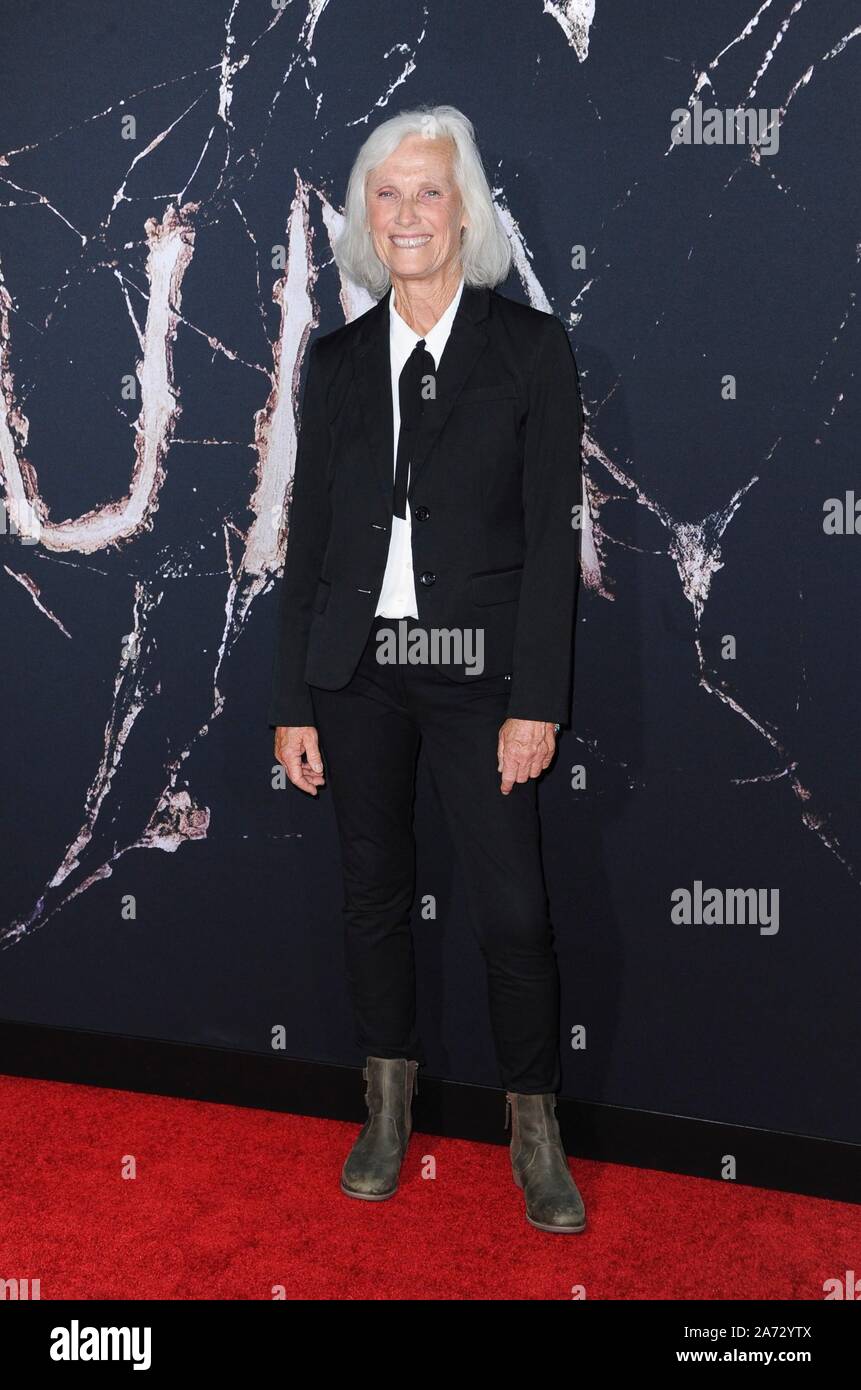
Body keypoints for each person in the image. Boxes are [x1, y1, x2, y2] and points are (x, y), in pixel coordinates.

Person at [268, 104, 586, 1233]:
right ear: (367, 216)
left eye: (429, 193)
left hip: (480, 676)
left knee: (512, 911)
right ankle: (386, 1109)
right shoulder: (339, 359)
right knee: (371, 895)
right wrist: (293, 697)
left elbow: (553, 542)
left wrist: (536, 700)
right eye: (386, 195)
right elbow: (307, 537)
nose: (406, 214)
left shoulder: (530, 349)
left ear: (467, 212)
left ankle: (535, 1133)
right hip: (358, 672)